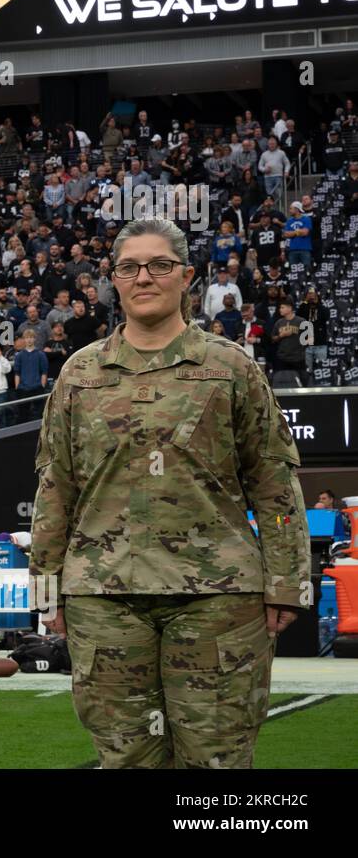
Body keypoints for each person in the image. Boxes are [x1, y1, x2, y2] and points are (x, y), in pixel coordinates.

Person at [31, 216, 309, 769]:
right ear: (113, 279)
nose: (144, 277)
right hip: (103, 595)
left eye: (160, 265)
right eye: (130, 267)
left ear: (187, 276)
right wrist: (46, 589)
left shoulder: (230, 367)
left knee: (217, 759)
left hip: (218, 597)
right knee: (127, 758)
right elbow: (54, 485)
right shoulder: (79, 374)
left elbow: (274, 481)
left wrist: (288, 582)